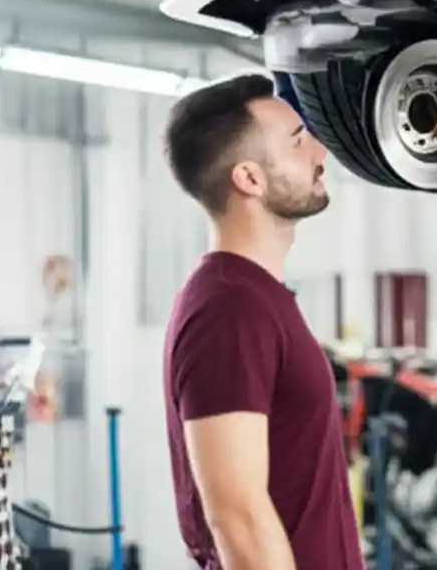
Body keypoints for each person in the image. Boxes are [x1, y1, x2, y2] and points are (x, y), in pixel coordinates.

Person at [160, 73, 363, 570]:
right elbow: (238, 519)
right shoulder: (228, 309)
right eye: (299, 142)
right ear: (249, 178)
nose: (320, 153)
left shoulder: (255, 297)